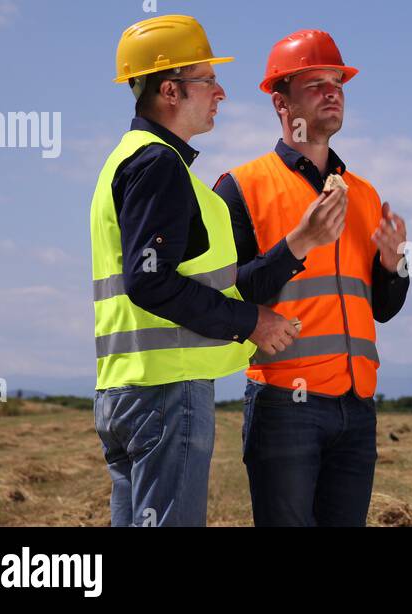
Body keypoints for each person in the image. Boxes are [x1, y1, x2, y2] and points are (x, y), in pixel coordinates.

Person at [90, 15, 299, 526]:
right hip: (166, 395)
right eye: (208, 80)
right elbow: (151, 282)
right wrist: (250, 322)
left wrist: (295, 248)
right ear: (170, 91)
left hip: (124, 392)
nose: (221, 92)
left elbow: (181, 279)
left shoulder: (128, 159)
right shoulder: (158, 165)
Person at [213, 30, 410, 526]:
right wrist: (298, 243)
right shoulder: (240, 187)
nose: (333, 92)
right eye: (316, 84)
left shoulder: (364, 194)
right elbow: (231, 297)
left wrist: (393, 266)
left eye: (338, 83)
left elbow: (381, 308)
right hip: (284, 403)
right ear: (281, 101)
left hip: (358, 404)